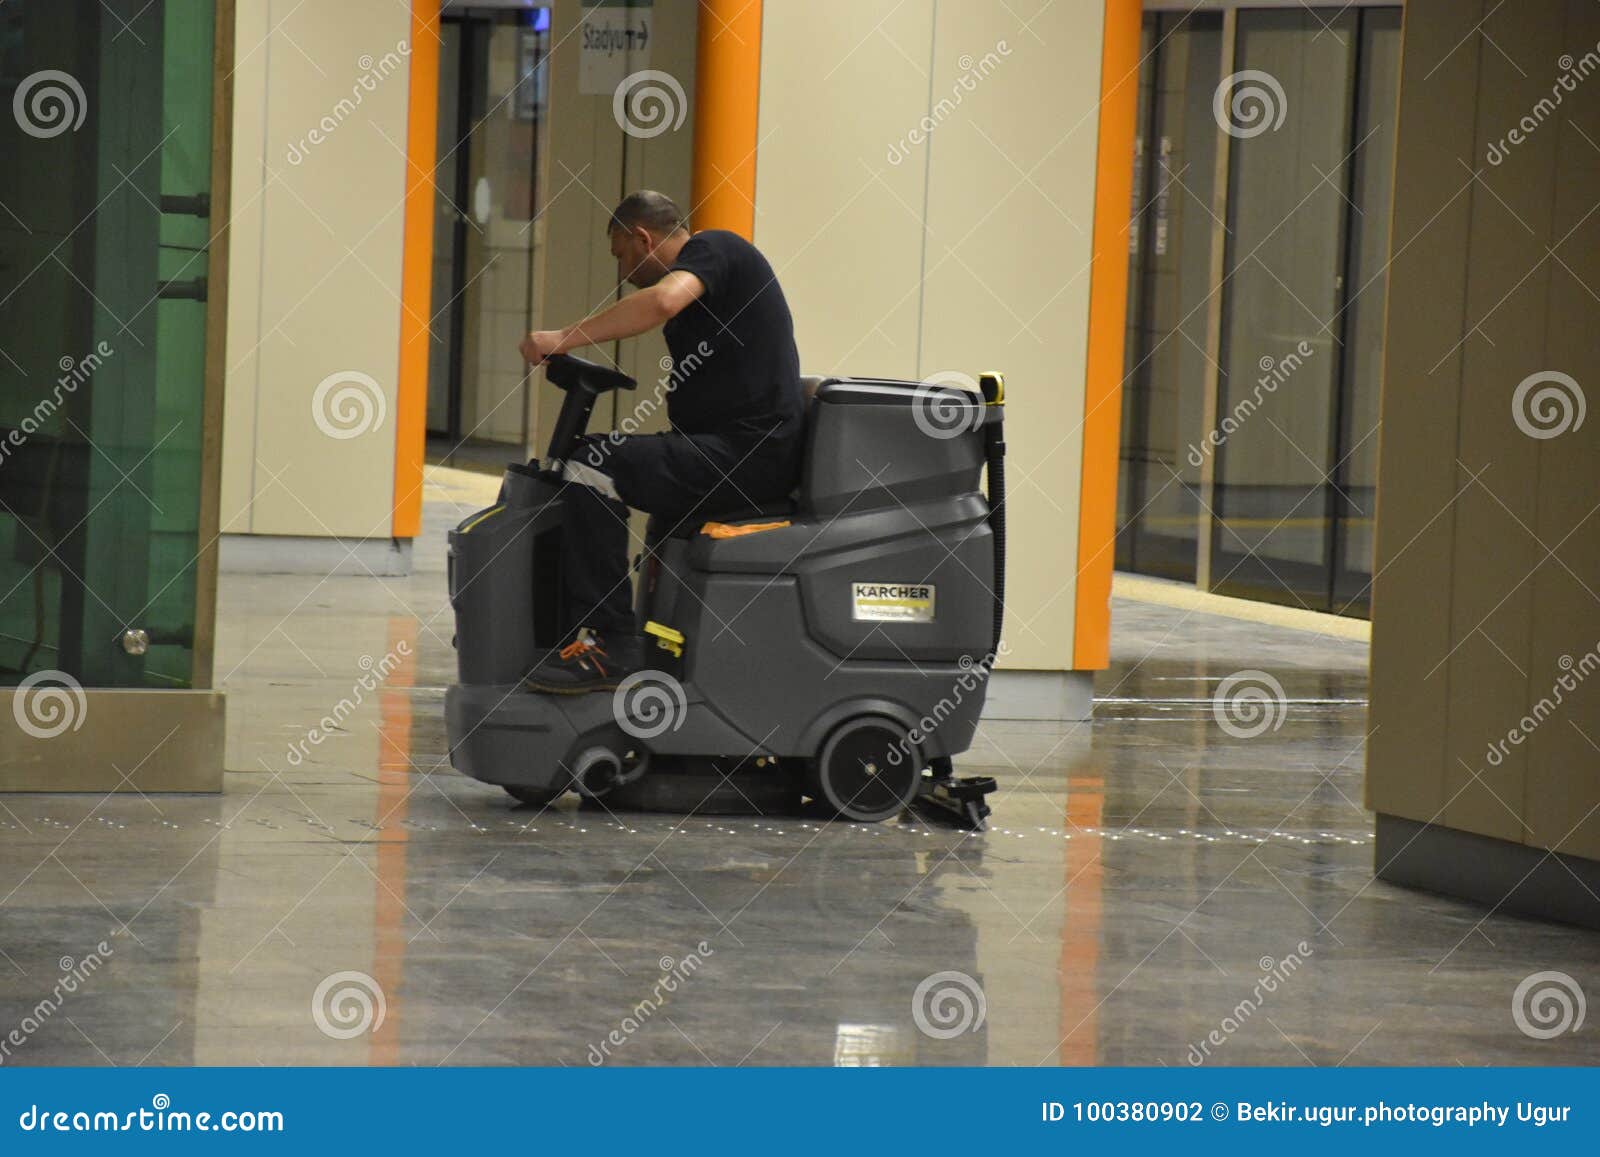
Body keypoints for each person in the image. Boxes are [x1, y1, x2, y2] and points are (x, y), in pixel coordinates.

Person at [517, 190, 804, 693]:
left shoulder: (717, 249)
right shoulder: (706, 281)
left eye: (621, 255)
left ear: (642, 238)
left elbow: (661, 300)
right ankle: (612, 638)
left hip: (748, 453)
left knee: (592, 463)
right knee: (604, 462)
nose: (623, 270)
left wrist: (562, 338)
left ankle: (613, 643)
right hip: (727, 449)